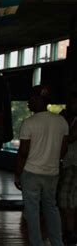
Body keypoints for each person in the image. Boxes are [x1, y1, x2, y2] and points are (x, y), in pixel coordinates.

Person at [14, 85, 68, 246]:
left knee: (32, 210)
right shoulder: (61, 121)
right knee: (51, 207)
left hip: (31, 173)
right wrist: (50, 161)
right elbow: (63, 150)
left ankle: (37, 243)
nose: (28, 103)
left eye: (30, 99)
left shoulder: (29, 123)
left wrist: (18, 174)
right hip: (52, 173)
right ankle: (57, 242)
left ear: (39, 100)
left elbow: (23, 152)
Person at [58, 92, 77, 244]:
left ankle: (70, 231)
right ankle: (70, 231)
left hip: (74, 165)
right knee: (69, 200)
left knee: (65, 198)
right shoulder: (69, 119)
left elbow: (70, 138)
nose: (71, 105)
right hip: (69, 163)